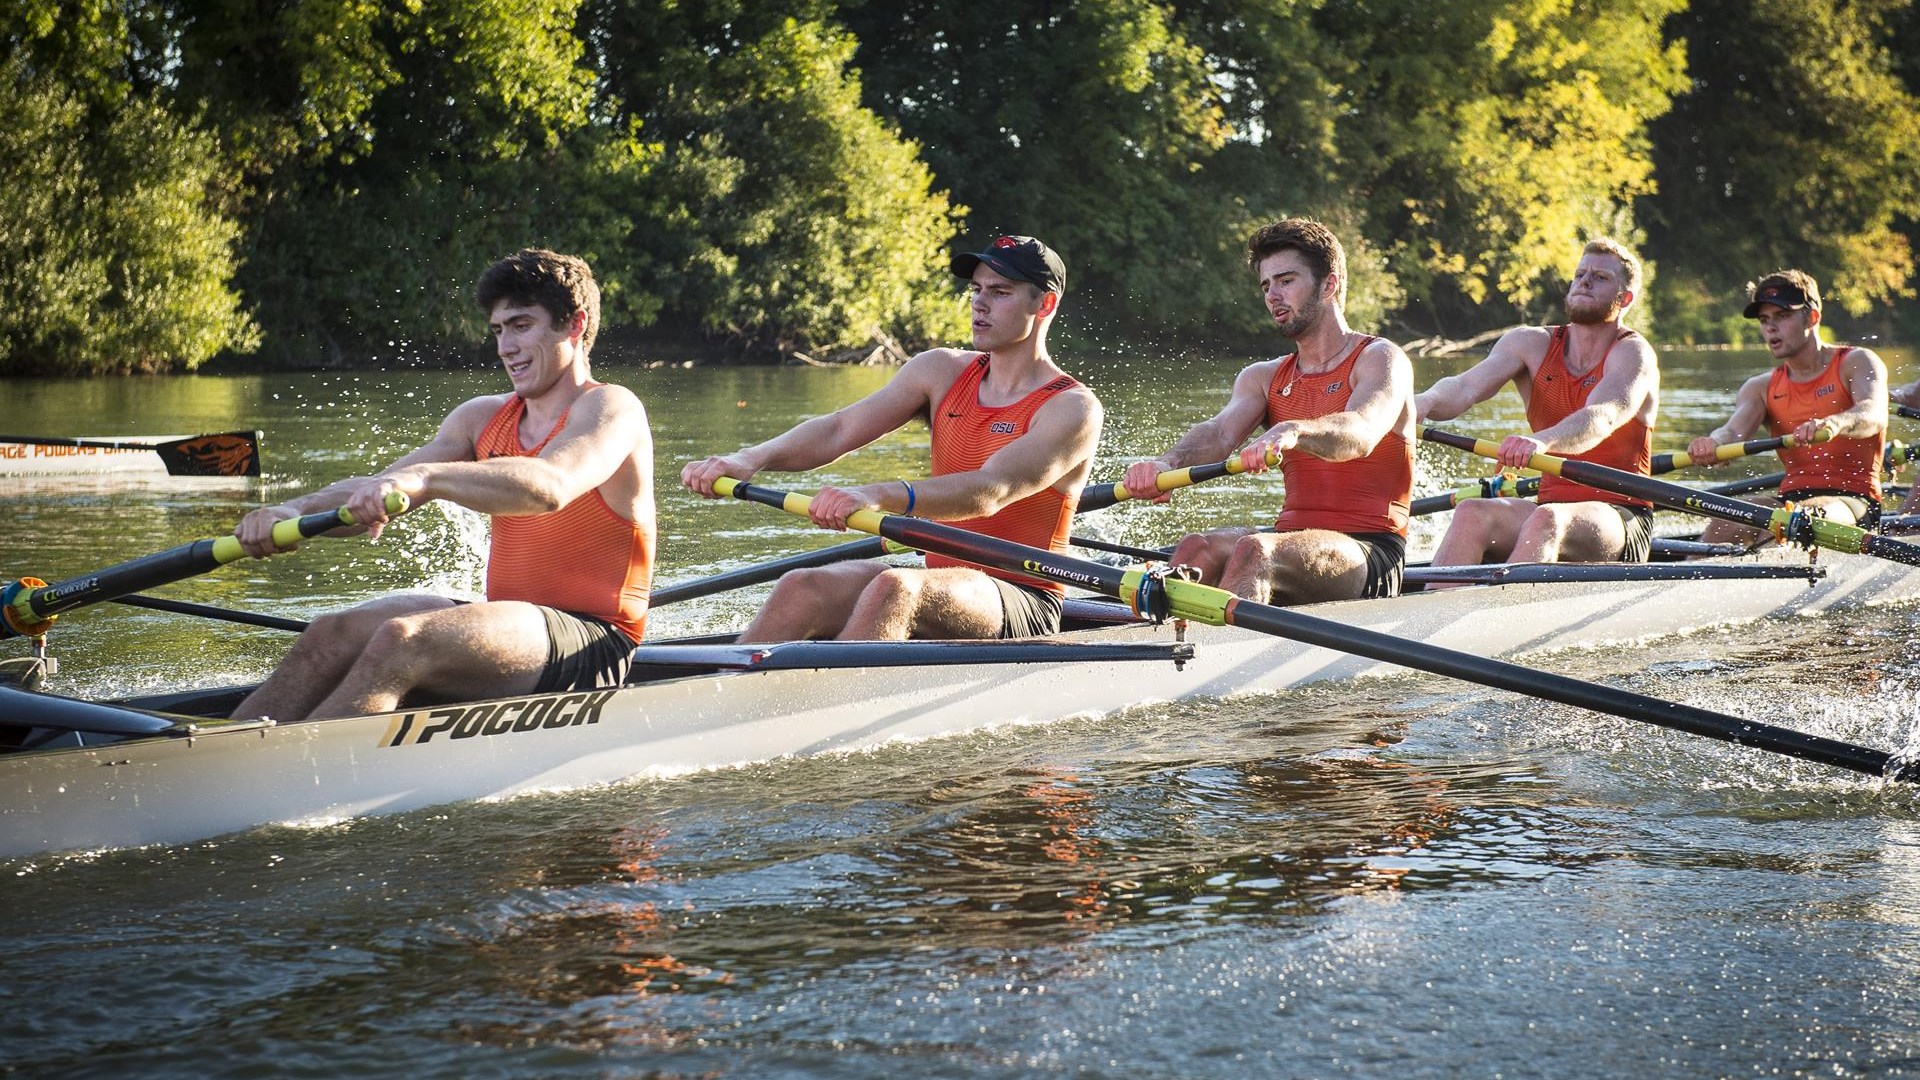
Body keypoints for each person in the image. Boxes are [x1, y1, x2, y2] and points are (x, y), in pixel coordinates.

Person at [231, 249, 655, 721]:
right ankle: (222, 758)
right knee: (329, 634)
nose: (504, 347)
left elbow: (549, 486)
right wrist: (294, 512)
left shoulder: (611, 408)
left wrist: (427, 479)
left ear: (574, 325)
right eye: (497, 330)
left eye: (521, 325)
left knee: (403, 639)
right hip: (513, 627)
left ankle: (299, 770)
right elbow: (381, 484)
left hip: (593, 641)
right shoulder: (481, 418)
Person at [680, 235, 1102, 642]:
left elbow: (992, 489)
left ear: (1045, 303)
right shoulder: (940, 371)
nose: (979, 302)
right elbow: (839, 429)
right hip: (943, 578)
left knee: (896, 588)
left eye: (1001, 291)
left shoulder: (1071, 408)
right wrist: (749, 459)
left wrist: (878, 494)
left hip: (1023, 595)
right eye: (975, 289)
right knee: (800, 586)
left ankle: (835, 705)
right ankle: (720, 693)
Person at [1119, 218, 1417, 604]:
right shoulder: (1262, 377)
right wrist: (1165, 464)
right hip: (1291, 543)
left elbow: (1359, 433)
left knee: (1256, 551)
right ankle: (1158, 645)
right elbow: (1221, 434)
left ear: (1329, 284)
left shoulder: (1381, 358)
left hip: (1369, 553)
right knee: (1196, 549)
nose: (1272, 296)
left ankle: (1215, 656)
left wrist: (1294, 430)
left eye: (1286, 280)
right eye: (1266, 285)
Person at [1416, 239, 1660, 565]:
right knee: (1471, 512)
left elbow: (1601, 417)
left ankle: (1507, 612)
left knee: (1548, 519)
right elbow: (1464, 388)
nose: (1585, 281)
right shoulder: (1529, 343)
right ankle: (1436, 610)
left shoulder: (1632, 353)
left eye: (1600, 277)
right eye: (1580, 274)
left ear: (1625, 298)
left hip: (1621, 515)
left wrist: (1540, 442)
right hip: (1546, 508)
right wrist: (1421, 403)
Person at [1685, 270, 1888, 544]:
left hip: (1853, 503)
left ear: (1812, 317)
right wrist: (1713, 443)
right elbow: (1733, 432)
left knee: (1796, 521)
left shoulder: (1856, 362)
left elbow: (1872, 414)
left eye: (1782, 316)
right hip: (1788, 502)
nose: (1770, 328)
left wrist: (1834, 423)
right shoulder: (1760, 387)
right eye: (1764, 320)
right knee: (1724, 522)